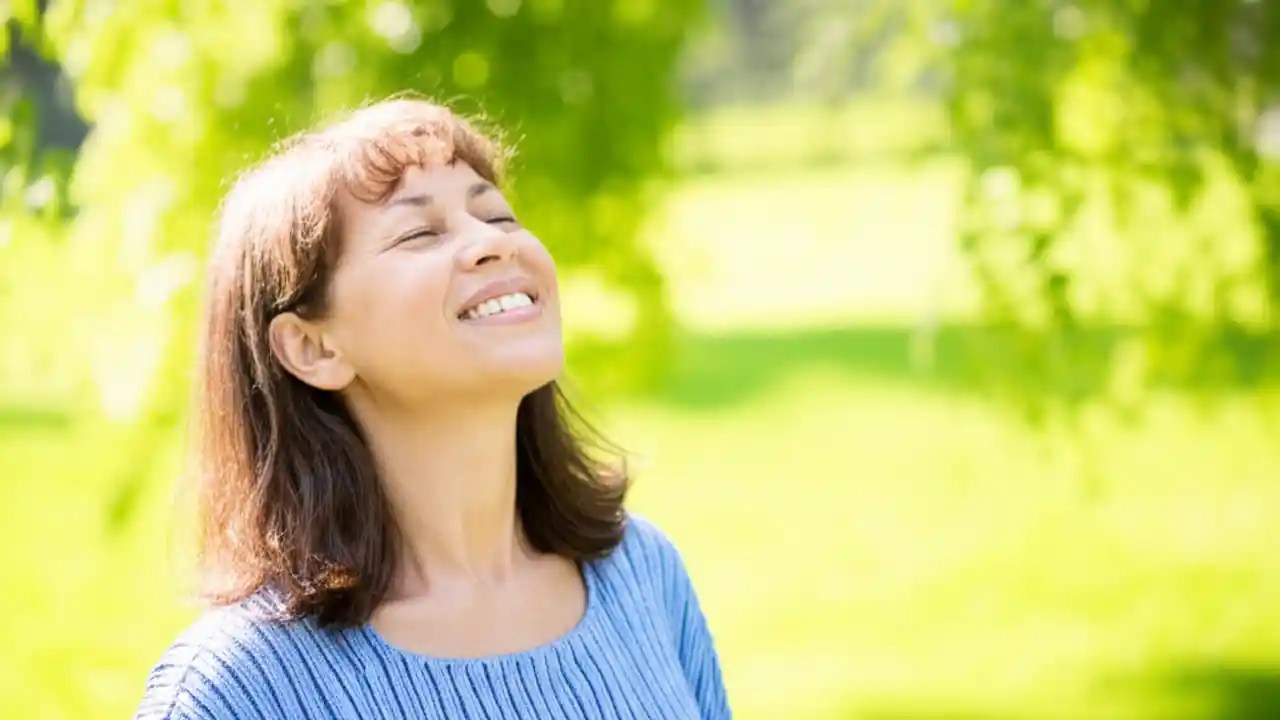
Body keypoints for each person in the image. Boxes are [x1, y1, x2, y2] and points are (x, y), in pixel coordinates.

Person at [133, 97, 730, 719]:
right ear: (313, 348)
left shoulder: (641, 576)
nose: (492, 245)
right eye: (420, 233)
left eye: (498, 217)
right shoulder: (238, 687)